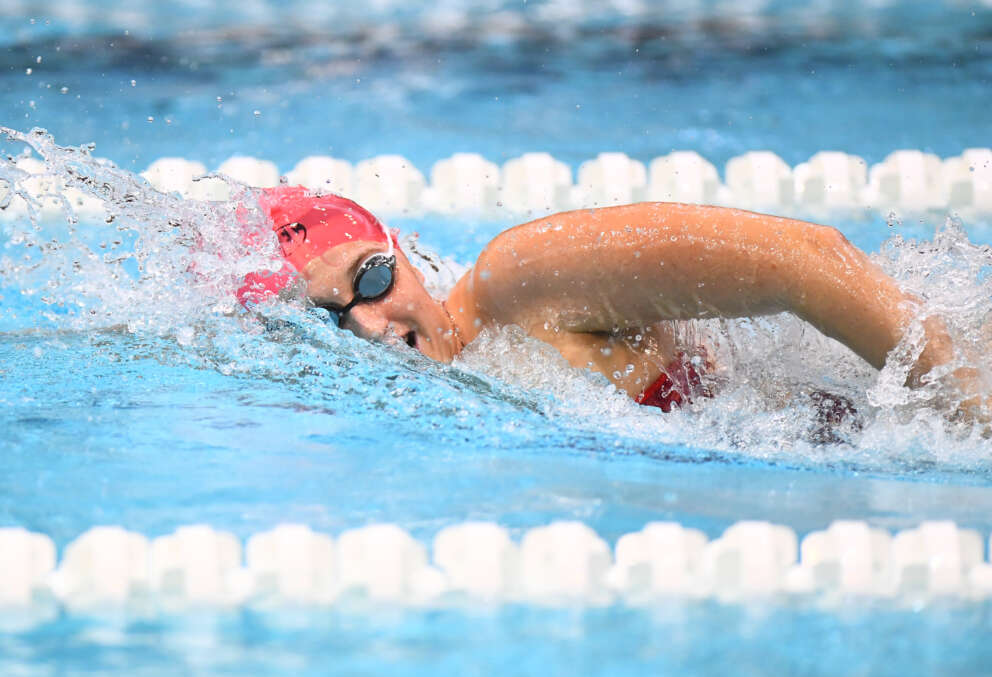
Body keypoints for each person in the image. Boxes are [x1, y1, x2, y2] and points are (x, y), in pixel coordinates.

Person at [236, 185, 967, 417]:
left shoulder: (518, 281)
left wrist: (969, 409)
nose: (370, 325)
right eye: (327, 317)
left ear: (405, 252)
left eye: (371, 279)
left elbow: (809, 261)